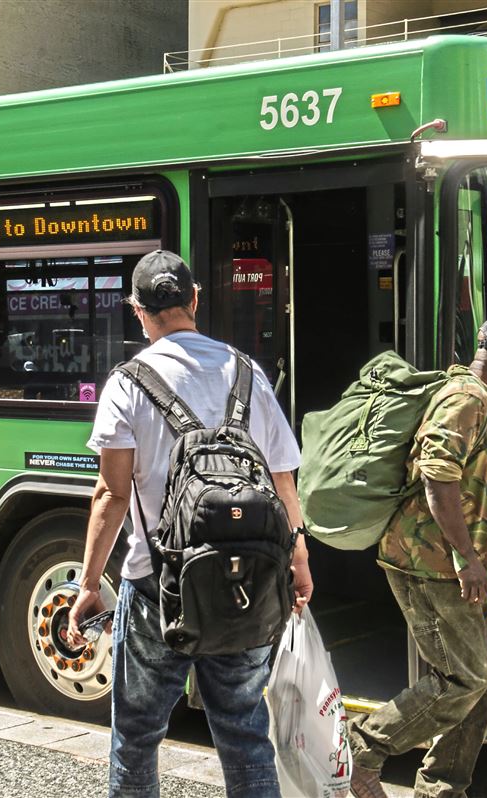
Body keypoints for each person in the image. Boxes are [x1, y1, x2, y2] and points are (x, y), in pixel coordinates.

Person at [69, 249, 314, 798]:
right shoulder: (248, 374)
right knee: (246, 732)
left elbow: (110, 494)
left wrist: (88, 585)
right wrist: (298, 560)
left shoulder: (127, 384)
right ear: (195, 300)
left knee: (137, 734)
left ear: (138, 310)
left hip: (156, 586)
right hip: (248, 583)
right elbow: (283, 482)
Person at [349, 312, 487, 798]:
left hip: (448, 562)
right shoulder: (465, 399)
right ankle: (361, 747)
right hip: (429, 564)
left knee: (481, 688)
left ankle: (441, 789)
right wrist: (466, 557)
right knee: (464, 680)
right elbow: (436, 475)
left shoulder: (481, 398)